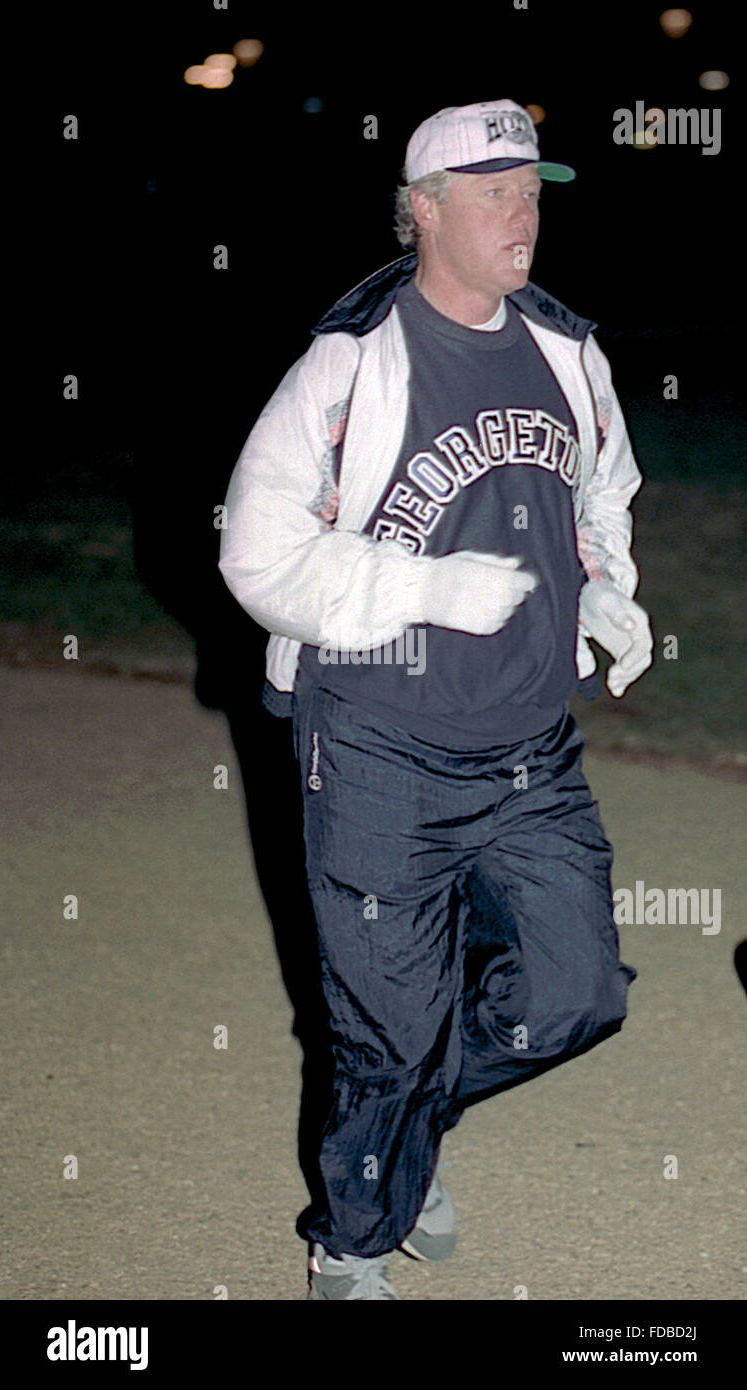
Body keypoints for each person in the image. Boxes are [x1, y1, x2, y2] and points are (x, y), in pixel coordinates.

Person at [219, 99, 653, 1300]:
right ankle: (351, 1245)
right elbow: (256, 555)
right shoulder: (349, 363)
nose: (525, 211)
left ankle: (404, 1130)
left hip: (530, 754)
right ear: (423, 211)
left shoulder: (569, 349)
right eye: (495, 189)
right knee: (388, 1031)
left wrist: (605, 586)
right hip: (376, 750)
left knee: (577, 994)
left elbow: (602, 487)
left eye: (534, 188)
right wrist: (418, 586)